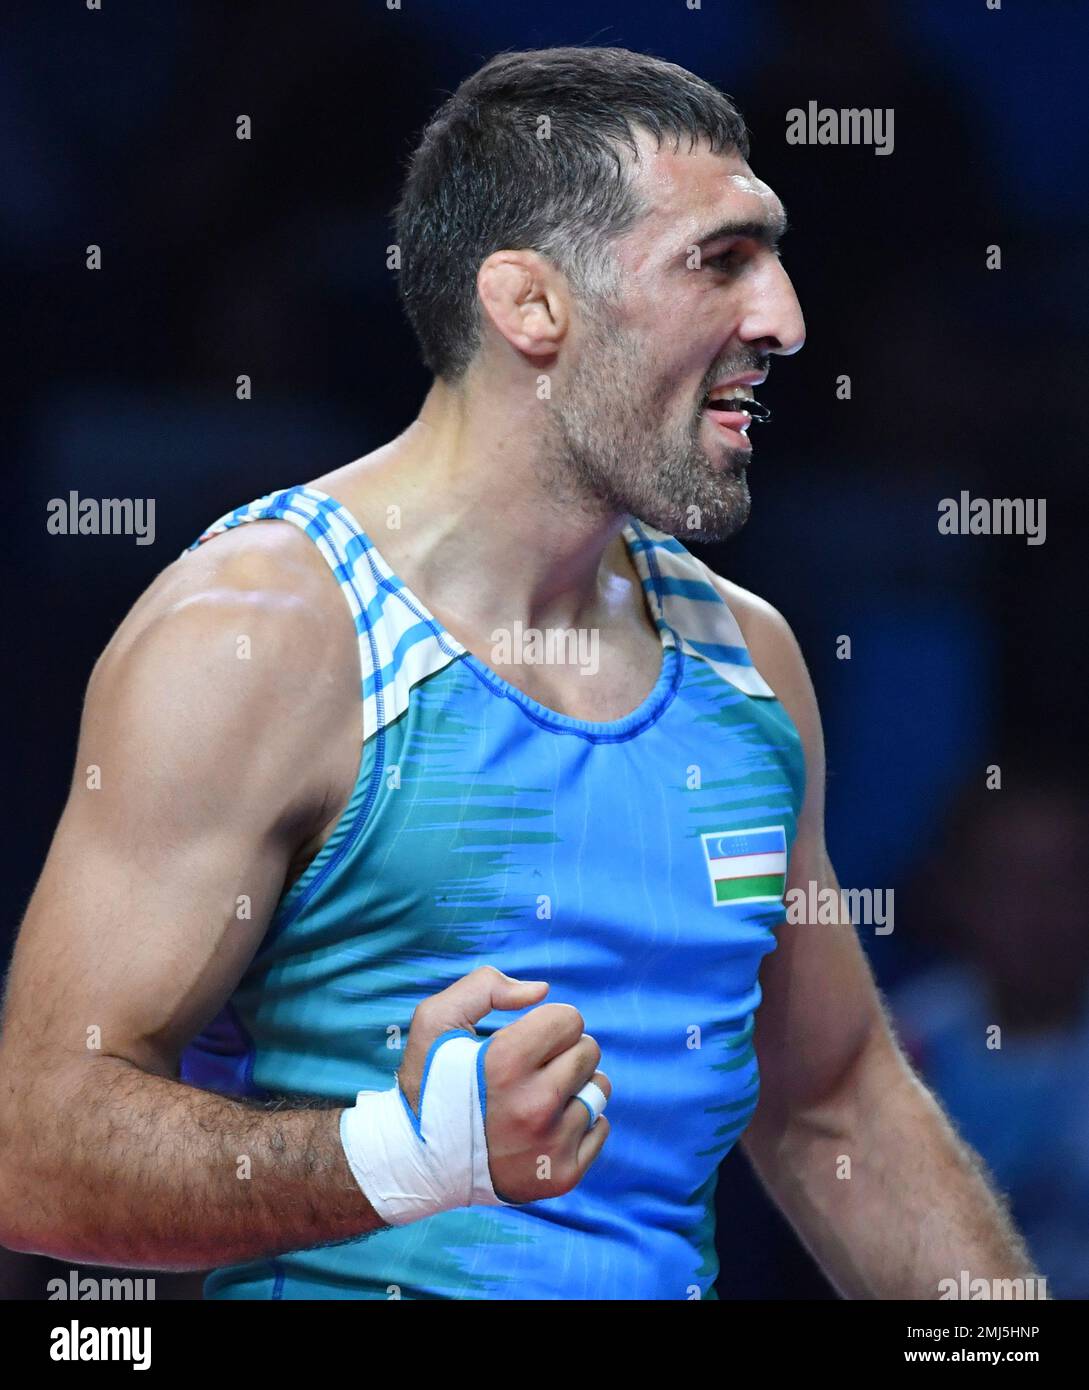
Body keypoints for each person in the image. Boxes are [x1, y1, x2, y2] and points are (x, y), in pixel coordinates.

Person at [0, 46, 1036, 1299]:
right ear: (531, 305)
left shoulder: (747, 658)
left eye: (773, 256)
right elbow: (34, 1145)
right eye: (720, 261)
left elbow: (834, 1103)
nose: (785, 319)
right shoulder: (262, 634)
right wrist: (401, 1158)